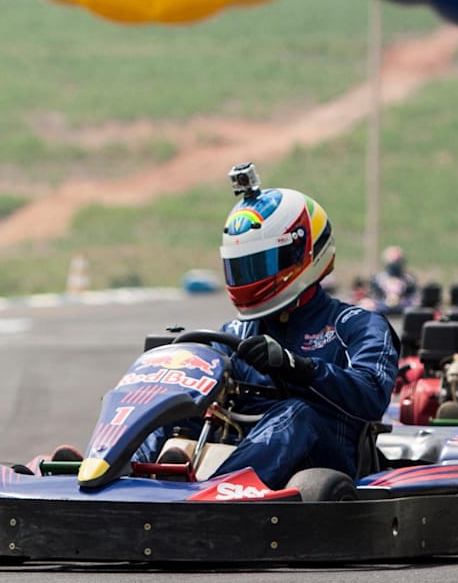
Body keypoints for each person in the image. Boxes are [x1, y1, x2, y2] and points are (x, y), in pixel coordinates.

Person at [133, 162, 400, 489]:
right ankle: (119, 476)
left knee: (297, 412)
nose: (252, 277)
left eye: (262, 263)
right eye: (243, 267)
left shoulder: (357, 325)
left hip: (329, 458)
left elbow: (371, 394)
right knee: (169, 400)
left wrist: (295, 367)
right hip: (241, 450)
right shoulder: (236, 332)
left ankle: (214, 495)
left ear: (303, 253)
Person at [366, 245, 420, 312]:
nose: (395, 264)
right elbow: (372, 296)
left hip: (403, 308)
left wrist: (401, 300)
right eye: (392, 260)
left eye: (397, 260)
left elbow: (415, 298)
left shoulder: (409, 279)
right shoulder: (378, 279)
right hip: (382, 308)